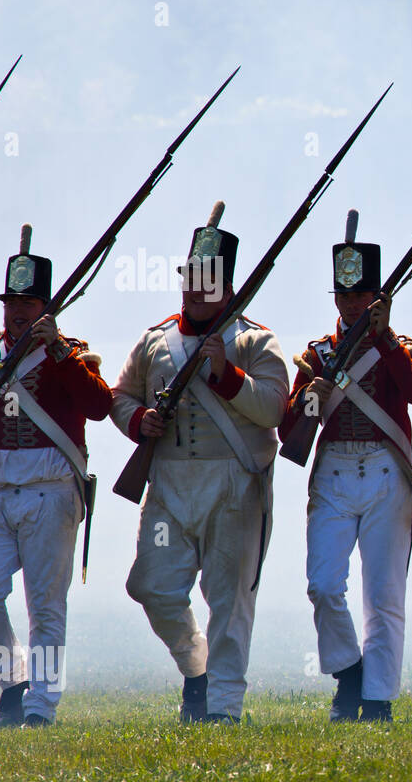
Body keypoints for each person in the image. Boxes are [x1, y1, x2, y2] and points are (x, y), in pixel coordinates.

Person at [111, 202, 289, 724]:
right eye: (191, 277)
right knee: (152, 586)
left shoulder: (255, 341)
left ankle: (226, 709)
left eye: (207, 280)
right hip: (168, 482)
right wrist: (138, 420)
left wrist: (225, 374)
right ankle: (198, 672)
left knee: (230, 602)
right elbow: (121, 397)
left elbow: (275, 407)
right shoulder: (154, 342)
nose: (195, 288)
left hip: (235, 483)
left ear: (228, 288)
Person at [279, 210, 412, 722]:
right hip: (334, 475)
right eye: (344, 296)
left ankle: (379, 698)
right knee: (323, 584)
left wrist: (384, 339)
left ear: (377, 299)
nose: (352, 304)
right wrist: (310, 401)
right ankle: (348, 672)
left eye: (361, 296)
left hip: (387, 472)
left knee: (384, 595)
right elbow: (289, 431)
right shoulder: (318, 355)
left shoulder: (398, 346)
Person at [0, 225, 112, 726]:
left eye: (28, 303)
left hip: (51, 492)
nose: (17, 311)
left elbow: (99, 405)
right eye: (11, 303)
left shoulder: (71, 352)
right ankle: (14, 682)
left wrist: (60, 353)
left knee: (46, 606)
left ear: (47, 307)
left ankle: (40, 707)